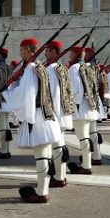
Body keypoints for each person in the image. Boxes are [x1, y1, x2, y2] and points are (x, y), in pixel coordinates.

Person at [2, 37, 62, 203]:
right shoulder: (40, 67)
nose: (20, 53)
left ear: (28, 50)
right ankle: (44, 188)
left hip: (38, 117)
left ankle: (42, 193)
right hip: (48, 115)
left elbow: (25, 93)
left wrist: (6, 94)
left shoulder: (30, 68)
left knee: (41, 156)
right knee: (46, 154)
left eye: (21, 50)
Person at [65, 46, 99, 174]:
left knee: (83, 137)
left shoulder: (74, 68)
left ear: (74, 54)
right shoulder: (89, 67)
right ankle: (87, 162)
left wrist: (71, 101)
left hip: (80, 107)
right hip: (90, 105)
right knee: (86, 136)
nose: (69, 56)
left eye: (71, 54)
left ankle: (86, 165)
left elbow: (75, 88)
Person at [45, 40, 73, 188]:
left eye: (48, 51)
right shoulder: (62, 68)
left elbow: (54, 93)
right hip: (64, 110)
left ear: (55, 52)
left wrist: (52, 113)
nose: (46, 53)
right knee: (60, 143)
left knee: (56, 145)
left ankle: (58, 177)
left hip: (56, 112)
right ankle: (62, 175)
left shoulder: (51, 69)